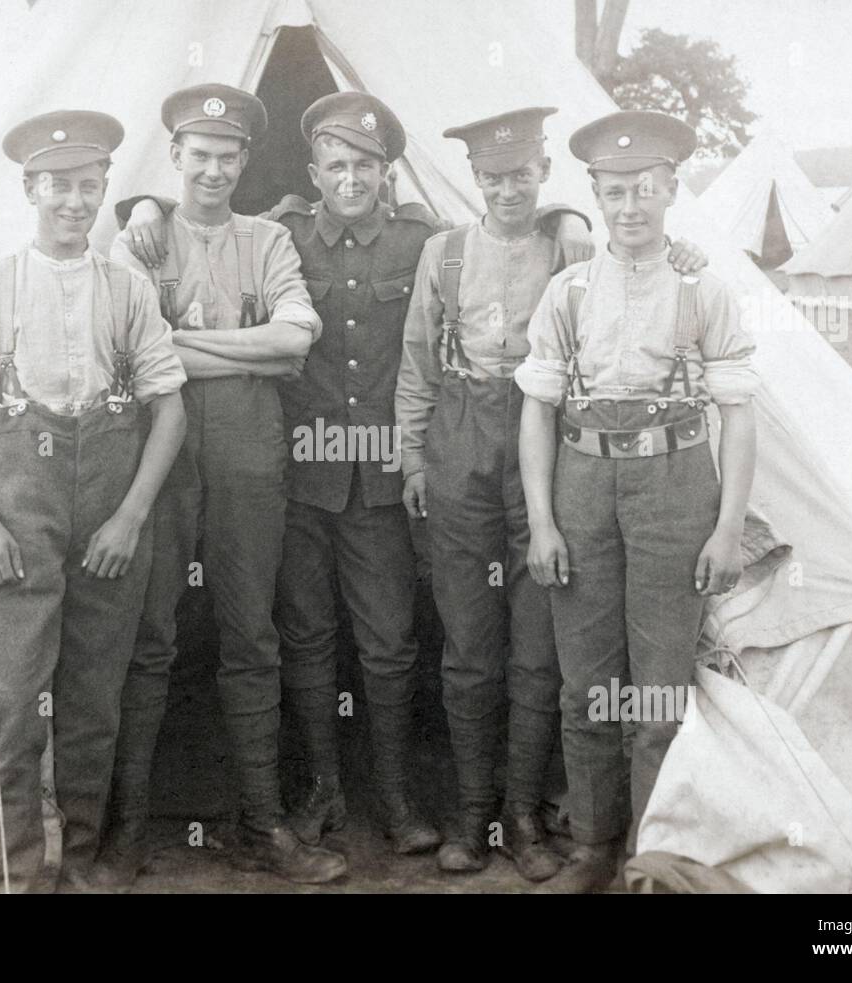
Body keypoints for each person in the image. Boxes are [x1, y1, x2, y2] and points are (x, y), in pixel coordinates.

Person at [117, 92, 597, 864]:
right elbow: (199, 210)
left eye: (365, 166)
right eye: (336, 165)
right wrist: (138, 201)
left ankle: (398, 792)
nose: (351, 179)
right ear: (313, 172)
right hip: (294, 473)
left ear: (388, 172)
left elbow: (506, 225)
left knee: (388, 643)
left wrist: (569, 215)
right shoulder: (283, 229)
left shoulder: (425, 240)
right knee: (303, 634)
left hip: (378, 478)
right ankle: (323, 789)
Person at [396, 107, 709, 881]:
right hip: (462, 440)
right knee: (469, 647)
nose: (509, 189)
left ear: (545, 175)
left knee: (543, 652)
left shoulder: (570, 245)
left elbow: (639, 269)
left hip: (550, 445)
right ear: (476, 179)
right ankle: (473, 813)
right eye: (495, 177)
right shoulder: (444, 255)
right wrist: (410, 460)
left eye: (523, 175)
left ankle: (526, 816)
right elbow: (416, 366)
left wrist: (685, 254)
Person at [0, 109, 187, 893]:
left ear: (104, 187)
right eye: (58, 187)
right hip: (18, 518)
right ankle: (11, 873)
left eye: (89, 186)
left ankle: (79, 864)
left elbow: (169, 408)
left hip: (110, 519)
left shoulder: (128, 288)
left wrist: (130, 517)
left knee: (92, 705)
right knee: (13, 707)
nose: (74, 203)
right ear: (29, 188)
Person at [104, 83, 346, 885]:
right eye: (198, 155)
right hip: (160, 446)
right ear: (172, 157)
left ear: (246, 160)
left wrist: (178, 341)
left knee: (252, 633)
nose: (212, 170)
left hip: (249, 443)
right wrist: (237, 347)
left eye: (227, 156)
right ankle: (126, 827)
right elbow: (124, 351)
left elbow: (295, 344)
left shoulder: (267, 240)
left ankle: (260, 824)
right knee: (150, 635)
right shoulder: (140, 238)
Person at [516, 110, 759, 892]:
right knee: (586, 687)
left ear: (671, 190)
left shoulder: (703, 287)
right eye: (614, 192)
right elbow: (537, 409)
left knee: (658, 695)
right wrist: (544, 519)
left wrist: (726, 529)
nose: (629, 208)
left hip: (675, 487)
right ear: (594, 193)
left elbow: (739, 414)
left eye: (645, 190)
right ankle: (592, 846)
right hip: (583, 486)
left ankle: (645, 858)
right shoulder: (568, 290)